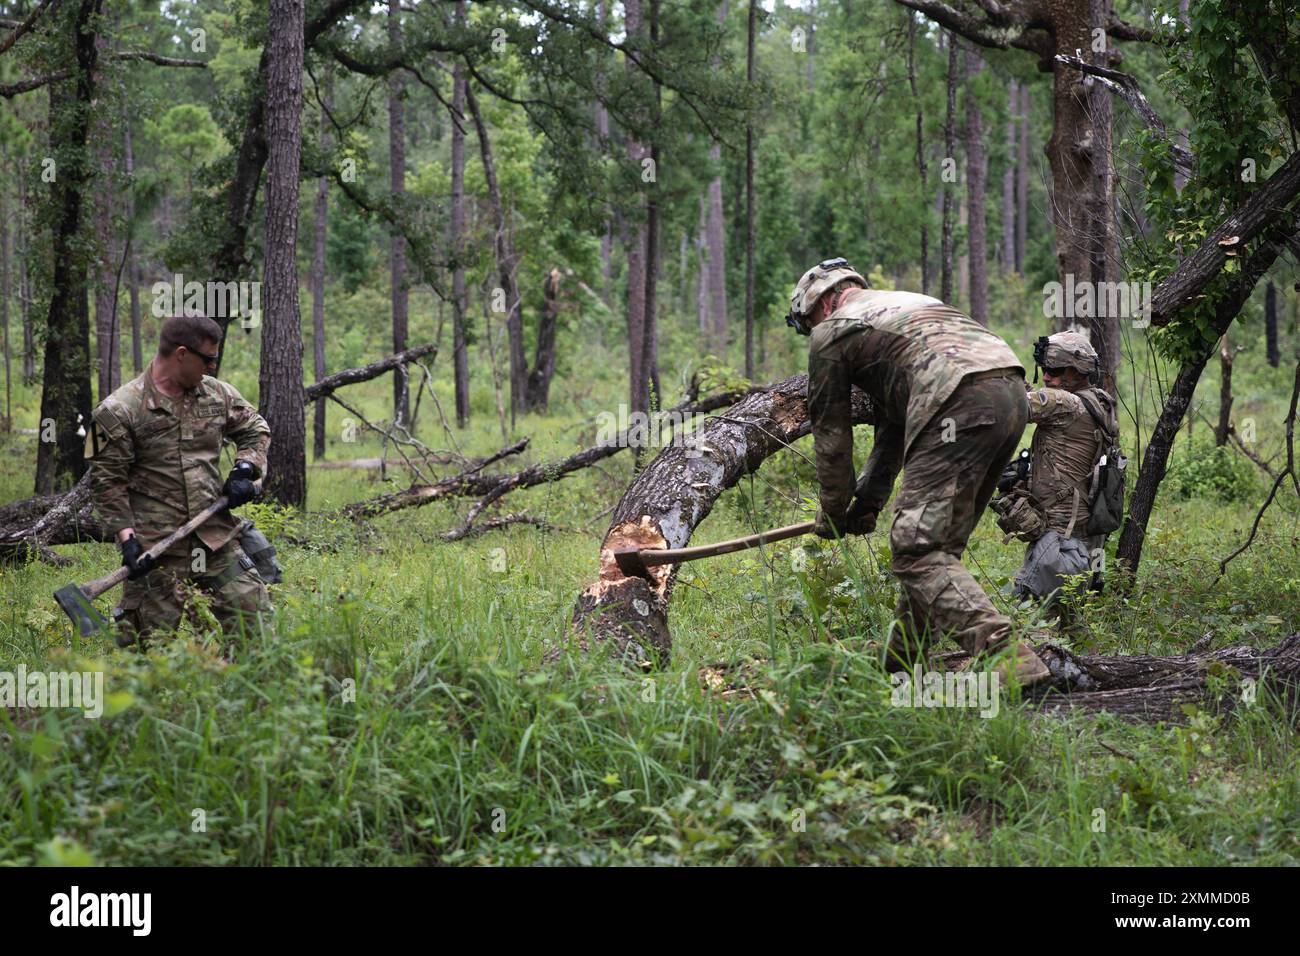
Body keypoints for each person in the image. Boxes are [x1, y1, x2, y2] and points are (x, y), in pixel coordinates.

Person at [789, 257, 1050, 686]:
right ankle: (902, 659)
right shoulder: (901, 307)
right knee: (935, 546)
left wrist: (833, 510)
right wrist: (869, 500)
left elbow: (831, 436)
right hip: (1009, 391)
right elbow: (892, 428)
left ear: (820, 304)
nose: (809, 332)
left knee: (915, 548)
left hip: (957, 399)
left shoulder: (831, 331)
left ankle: (1006, 655)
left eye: (806, 323)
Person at [85, 314, 272, 647]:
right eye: (209, 358)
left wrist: (245, 468)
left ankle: (246, 695)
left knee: (256, 631)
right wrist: (127, 540)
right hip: (157, 550)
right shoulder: (117, 410)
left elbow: (255, 429)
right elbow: (107, 481)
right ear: (182, 354)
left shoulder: (217, 395)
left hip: (215, 538)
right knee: (149, 653)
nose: (213, 367)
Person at [993, 330, 1119, 621]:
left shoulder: (1067, 404)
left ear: (1076, 371)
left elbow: (1010, 406)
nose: (1046, 377)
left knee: (1029, 622)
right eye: (1043, 370)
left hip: (1060, 537)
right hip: (1082, 535)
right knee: (1068, 624)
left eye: (1054, 371)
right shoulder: (1099, 402)